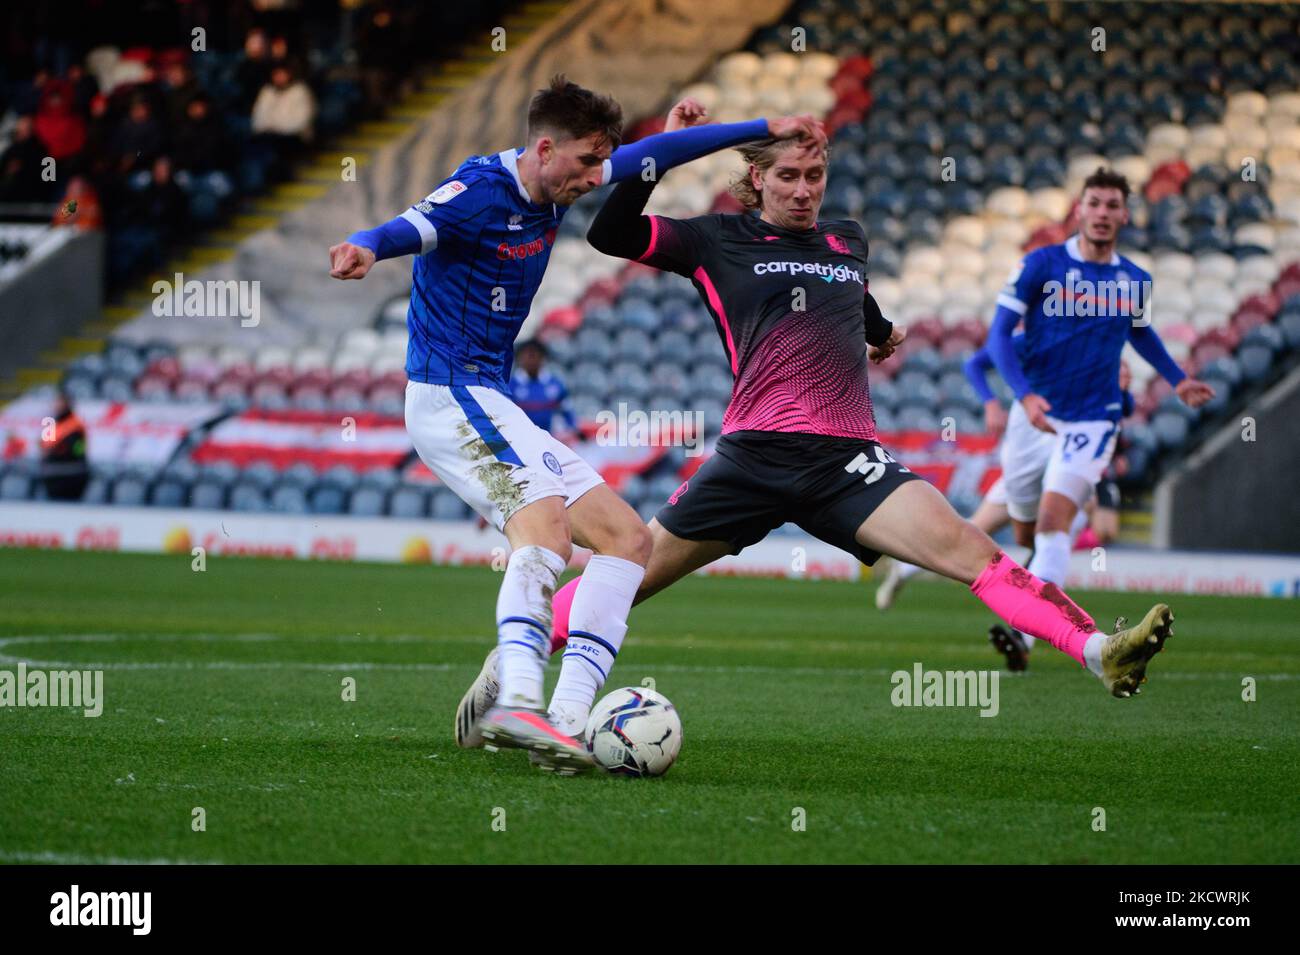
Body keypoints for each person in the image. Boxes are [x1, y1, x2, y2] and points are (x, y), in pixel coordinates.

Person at [455, 113, 1182, 744]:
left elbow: (849, 292)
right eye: (790, 176)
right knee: (626, 577)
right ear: (758, 180)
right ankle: (511, 667)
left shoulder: (846, 239)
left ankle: (1097, 648)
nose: (805, 190)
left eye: (815, 176)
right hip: (749, 460)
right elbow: (612, 231)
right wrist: (673, 145)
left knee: (972, 548)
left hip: (846, 464)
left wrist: (881, 330)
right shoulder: (716, 240)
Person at [329, 77, 824, 772]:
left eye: (602, 164)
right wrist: (362, 247)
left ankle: (563, 722)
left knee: (626, 539)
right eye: (588, 164)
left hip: (491, 396)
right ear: (543, 148)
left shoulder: (562, 177)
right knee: (547, 533)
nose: (596, 179)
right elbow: (409, 227)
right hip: (448, 393)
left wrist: (767, 120)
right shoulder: (479, 190)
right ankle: (518, 701)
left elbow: (661, 151)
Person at [985, 168, 1213, 668]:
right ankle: (1035, 592)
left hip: (1093, 419)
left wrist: (1177, 379)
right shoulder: (1039, 265)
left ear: (1125, 215)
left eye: (1113, 206)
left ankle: (1024, 637)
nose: (1104, 213)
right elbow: (998, 337)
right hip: (1035, 415)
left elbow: (1141, 333)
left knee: (1052, 524)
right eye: (1096, 203)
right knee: (1026, 535)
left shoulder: (1134, 280)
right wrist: (1022, 397)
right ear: (1079, 209)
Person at [508, 340, 578, 440]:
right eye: (527, 356)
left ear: (542, 358)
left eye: (533, 356)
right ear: (520, 359)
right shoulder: (511, 385)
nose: (530, 360)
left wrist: (571, 429)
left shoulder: (555, 384)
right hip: (520, 439)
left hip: (550, 439)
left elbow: (567, 409)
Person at [40, 392, 90, 501]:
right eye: (56, 402)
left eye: (60, 402)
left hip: (71, 477)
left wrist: (60, 449)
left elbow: (78, 450)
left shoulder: (76, 425)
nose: (56, 405)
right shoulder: (51, 423)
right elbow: (45, 446)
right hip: (52, 476)